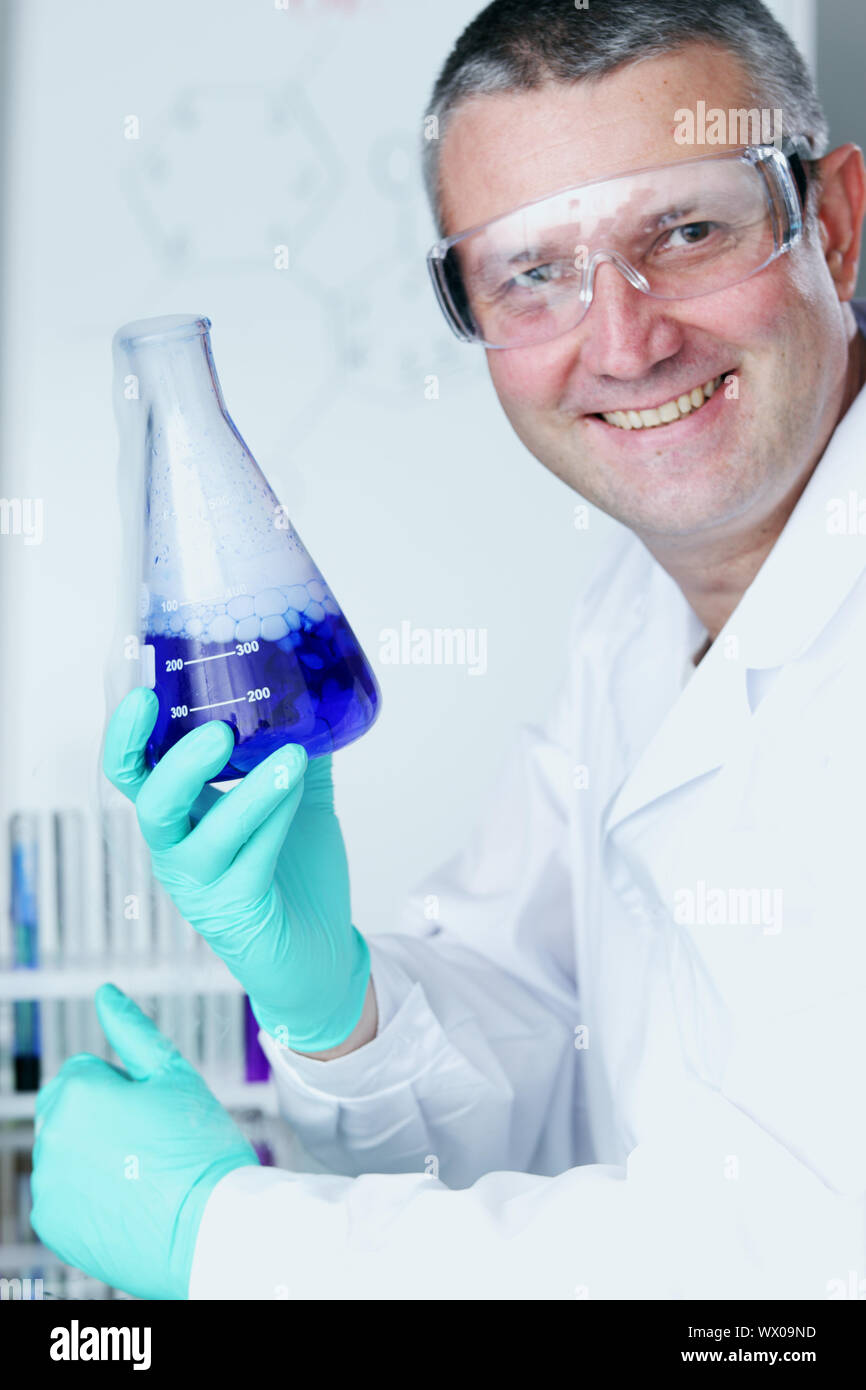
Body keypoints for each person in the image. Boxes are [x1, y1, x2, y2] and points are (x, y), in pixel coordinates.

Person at [31, 0, 866, 1299]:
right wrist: (336, 1003)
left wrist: (224, 1238)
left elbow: (797, 1269)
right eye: (530, 271)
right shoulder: (635, 602)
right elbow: (534, 1038)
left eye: (687, 231)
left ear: (829, 220)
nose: (624, 340)